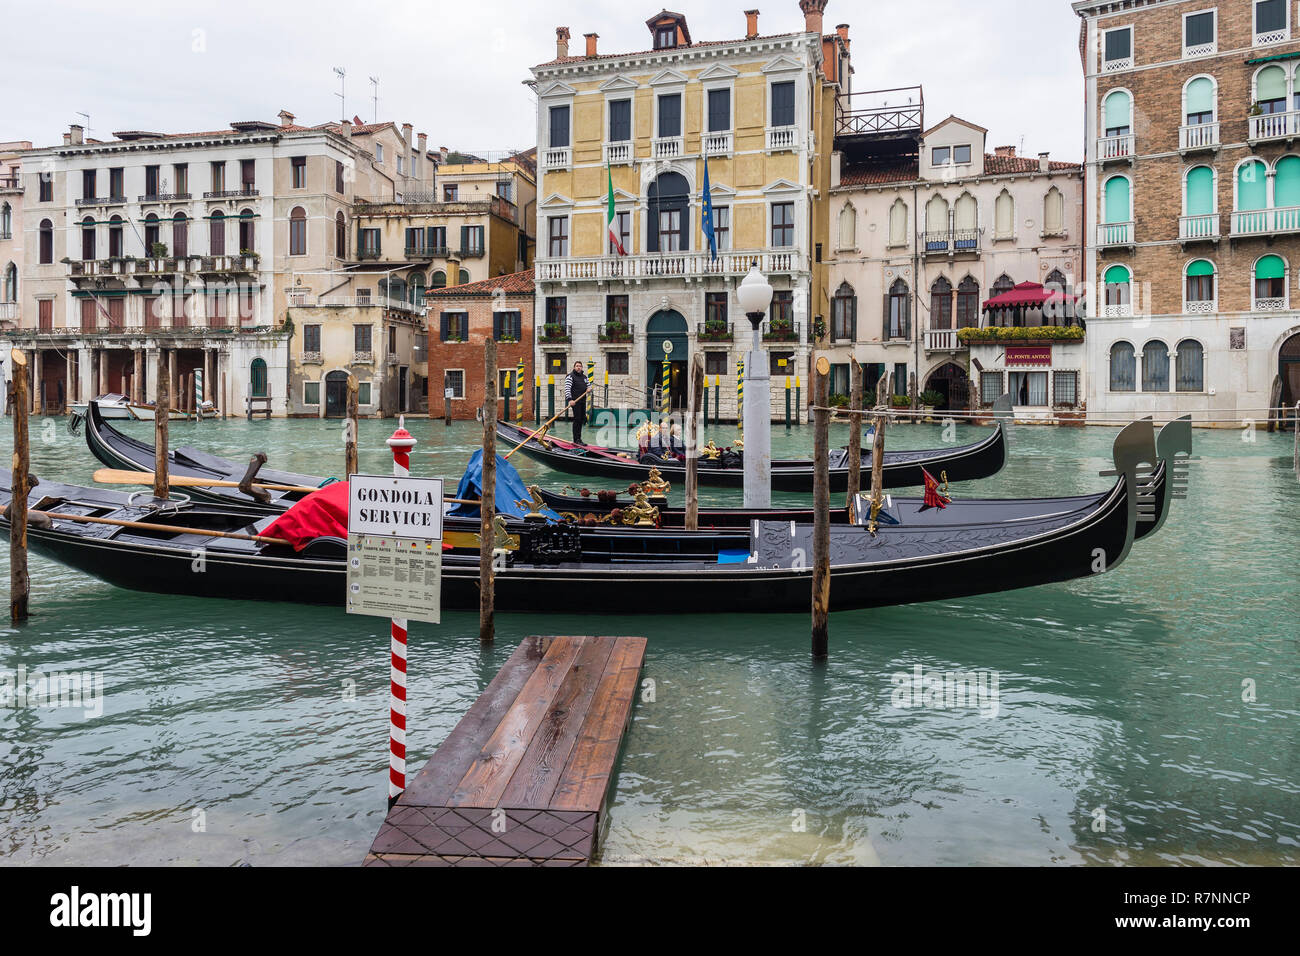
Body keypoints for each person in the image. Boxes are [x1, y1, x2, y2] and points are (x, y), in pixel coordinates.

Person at [563, 361, 588, 445]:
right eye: (577, 366)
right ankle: (576, 440)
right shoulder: (570, 377)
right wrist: (570, 400)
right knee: (577, 419)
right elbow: (567, 389)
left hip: (582, 401)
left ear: (582, 367)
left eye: (580, 366)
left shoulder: (584, 377)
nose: (578, 367)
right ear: (574, 367)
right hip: (575, 401)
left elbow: (589, 386)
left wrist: (589, 389)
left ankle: (579, 439)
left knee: (581, 419)